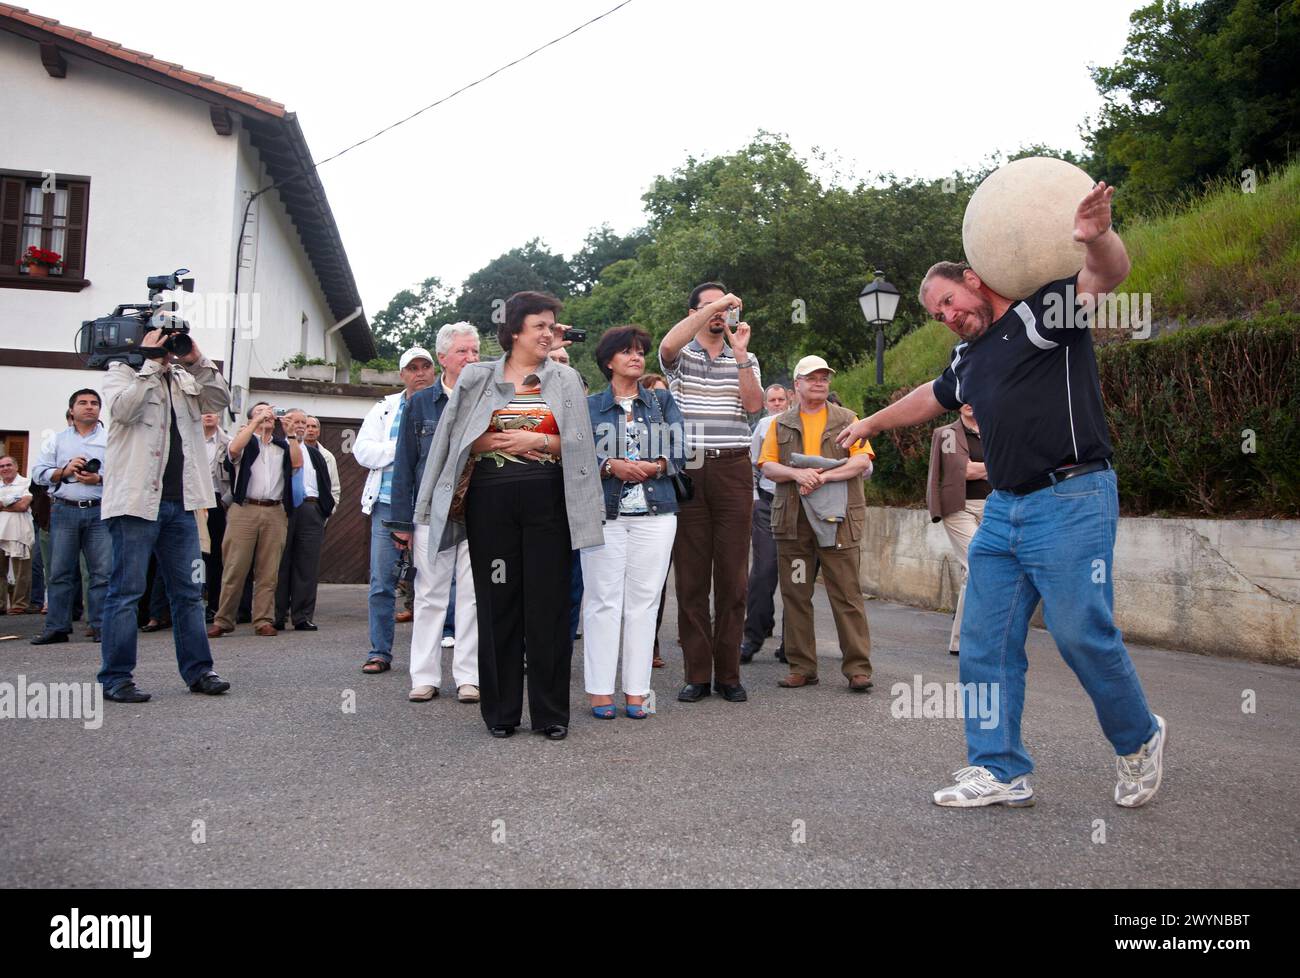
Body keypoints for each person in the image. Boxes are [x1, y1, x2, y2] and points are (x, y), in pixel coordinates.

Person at [838, 181, 1166, 810]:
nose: (949, 316)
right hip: (1005, 511)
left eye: (950, 302)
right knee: (985, 643)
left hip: (1071, 499)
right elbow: (929, 397)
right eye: (936, 315)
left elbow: (1107, 276)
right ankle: (999, 769)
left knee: (1080, 634)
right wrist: (873, 422)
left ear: (972, 277)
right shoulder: (967, 357)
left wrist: (1096, 237)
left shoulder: (1041, 314)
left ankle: (1140, 737)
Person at [412, 292, 603, 740]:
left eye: (552, 326)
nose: (549, 333)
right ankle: (500, 713)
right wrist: (486, 441)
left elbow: (581, 445)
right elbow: (453, 439)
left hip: (549, 502)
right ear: (514, 330)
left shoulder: (567, 379)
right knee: (498, 603)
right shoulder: (477, 377)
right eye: (539, 325)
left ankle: (551, 714)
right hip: (490, 503)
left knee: (549, 605)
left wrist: (535, 443)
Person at [97, 328, 231, 702]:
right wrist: (150, 363)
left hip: (183, 504)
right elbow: (122, 410)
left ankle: (200, 671)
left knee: (190, 592)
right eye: (162, 341)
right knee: (126, 592)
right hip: (137, 503)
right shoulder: (121, 372)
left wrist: (196, 360)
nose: (168, 349)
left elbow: (220, 398)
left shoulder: (185, 377)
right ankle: (116, 678)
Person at [658, 283, 762, 703]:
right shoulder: (681, 356)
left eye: (725, 306)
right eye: (710, 307)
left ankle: (730, 673)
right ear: (694, 312)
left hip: (734, 466)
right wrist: (717, 303)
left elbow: (754, 406)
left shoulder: (747, 356)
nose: (719, 313)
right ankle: (698, 673)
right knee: (691, 578)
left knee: (734, 579)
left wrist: (740, 358)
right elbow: (666, 345)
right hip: (691, 468)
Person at [583, 325, 686, 719]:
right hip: (604, 515)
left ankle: (637, 693)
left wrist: (656, 464)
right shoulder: (590, 406)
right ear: (609, 361)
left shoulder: (661, 402)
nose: (636, 357)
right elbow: (574, 458)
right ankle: (599, 692)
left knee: (644, 603)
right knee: (602, 602)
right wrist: (609, 466)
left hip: (656, 514)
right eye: (627, 351)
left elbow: (681, 450)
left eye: (641, 351)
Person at [760, 357, 876, 691]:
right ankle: (802, 666)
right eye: (812, 378)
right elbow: (767, 466)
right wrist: (797, 474)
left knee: (847, 594)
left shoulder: (848, 419)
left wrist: (823, 477)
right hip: (795, 524)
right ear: (797, 384)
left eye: (824, 377)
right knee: (796, 593)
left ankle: (857, 668)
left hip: (838, 522)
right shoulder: (780, 423)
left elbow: (860, 460)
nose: (820, 382)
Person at [390, 322, 482, 704]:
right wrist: (401, 524)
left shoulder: (490, 399)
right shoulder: (419, 404)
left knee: (474, 597)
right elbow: (404, 465)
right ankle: (424, 676)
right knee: (429, 596)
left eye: (476, 351)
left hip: (479, 510)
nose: (472, 358)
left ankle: (468, 677)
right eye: (463, 352)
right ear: (442, 357)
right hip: (431, 513)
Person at [354, 347, 436, 672]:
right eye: (412, 368)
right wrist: (402, 450)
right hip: (388, 507)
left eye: (425, 366)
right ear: (402, 375)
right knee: (382, 583)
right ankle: (380, 652)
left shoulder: (444, 404)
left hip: (431, 508)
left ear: (434, 371)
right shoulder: (384, 408)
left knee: (435, 584)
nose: (419, 373)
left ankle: (431, 655)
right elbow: (362, 451)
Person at [208, 402, 302, 638]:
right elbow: (233, 450)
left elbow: (297, 463)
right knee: (234, 567)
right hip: (245, 508)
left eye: (268, 413)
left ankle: (263, 619)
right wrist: (254, 424)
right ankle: (223, 619)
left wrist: (290, 433)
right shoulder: (245, 441)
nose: (267, 415)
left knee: (268, 571)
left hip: (275, 510)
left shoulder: (282, 445)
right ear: (250, 419)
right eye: (259, 412)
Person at [31, 389, 111, 644]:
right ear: (71, 410)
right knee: (59, 572)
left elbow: (125, 474)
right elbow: (37, 473)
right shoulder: (56, 440)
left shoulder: (112, 439)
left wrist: (99, 477)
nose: (89, 407)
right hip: (64, 508)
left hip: (100, 509)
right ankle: (57, 627)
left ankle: (99, 626)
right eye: (83, 403)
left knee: (102, 572)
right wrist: (63, 471)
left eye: (94, 403)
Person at [927, 403, 991, 656]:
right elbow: (961, 470)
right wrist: (995, 465)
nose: (970, 403)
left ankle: (963, 640)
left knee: (974, 572)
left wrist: (981, 469)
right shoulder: (947, 435)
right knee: (979, 564)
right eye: (964, 397)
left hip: (995, 506)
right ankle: (965, 641)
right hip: (959, 508)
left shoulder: (995, 427)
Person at [741, 383, 791, 664]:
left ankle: (792, 643)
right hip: (768, 502)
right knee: (763, 571)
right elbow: (752, 463)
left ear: (789, 399)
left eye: (780, 399)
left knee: (797, 577)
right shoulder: (764, 425)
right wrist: (754, 498)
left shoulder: (806, 422)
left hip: (801, 503)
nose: (776, 403)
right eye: (771, 399)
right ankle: (752, 638)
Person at [272, 409, 334, 631]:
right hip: (284, 509)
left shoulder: (315, 454)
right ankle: (277, 615)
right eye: (296, 422)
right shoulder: (278, 447)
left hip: (311, 509)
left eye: (304, 423)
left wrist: (324, 510)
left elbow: (326, 483)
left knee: (307, 566)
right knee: (280, 563)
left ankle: (302, 616)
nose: (301, 426)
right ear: (285, 424)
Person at [640, 372, 672, 669]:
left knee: (657, 581)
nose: (658, 400)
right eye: (653, 395)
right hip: (623, 513)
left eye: (663, 395)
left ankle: (651, 644)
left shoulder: (672, 425)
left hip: (666, 507)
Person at [200, 412, 232, 623]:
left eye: (213, 411)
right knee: (191, 557)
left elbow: (235, 476)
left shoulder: (228, 443)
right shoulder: (187, 439)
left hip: (216, 500)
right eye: (204, 410)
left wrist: (225, 501)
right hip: (191, 500)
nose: (208, 415)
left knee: (214, 557)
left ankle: (213, 606)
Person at [0, 455, 35, 615]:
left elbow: (23, 506)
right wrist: (11, 502)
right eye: (2, 466)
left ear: (16, 467)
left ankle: (19, 604)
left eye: (8, 465)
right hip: (1, 532)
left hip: (19, 531)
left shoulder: (26, 483)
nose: (5, 468)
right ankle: (1, 605)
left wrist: (3, 505)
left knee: (22, 571)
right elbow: (18, 504)